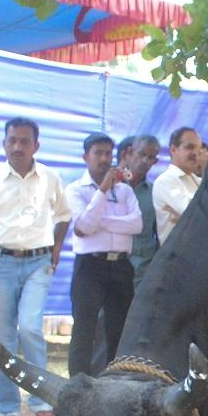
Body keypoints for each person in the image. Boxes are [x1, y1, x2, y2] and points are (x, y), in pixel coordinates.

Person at [0, 117, 70, 416]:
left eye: (25, 141)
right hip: (2, 264)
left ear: (36, 145)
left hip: (39, 263)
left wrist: (56, 249)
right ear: (4, 143)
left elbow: (64, 216)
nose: (17, 146)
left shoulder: (50, 178)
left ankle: (41, 403)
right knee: (2, 339)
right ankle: (9, 408)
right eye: (12, 140)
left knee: (30, 328)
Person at [64, 132, 141, 376]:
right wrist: (104, 188)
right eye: (99, 153)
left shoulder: (126, 191)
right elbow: (83, 228)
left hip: (120, 265)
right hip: (90, 266)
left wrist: (101, 220)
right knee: (84, 329)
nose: (105, 159)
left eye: (108, 153)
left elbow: (136, 225)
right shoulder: (76, 190)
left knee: (119, 331)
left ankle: (114, 384)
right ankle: (77, 387)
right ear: (86, 157)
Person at [116, 134, 160, 293]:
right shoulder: (106, 186)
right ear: (127, 153)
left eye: (151, 157)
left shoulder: (155, 192)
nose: (145, 161)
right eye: (141, 154)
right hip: (109, 269)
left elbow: (158, 233)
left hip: (142, 273)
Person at [151, 126, 202, 243]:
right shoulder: (165, 181)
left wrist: (187, 221)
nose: (196, 153)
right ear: (173, 150)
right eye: (190, 147)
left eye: (199, 149)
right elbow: (193, 211)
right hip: (177, 258)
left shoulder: (198, 181)